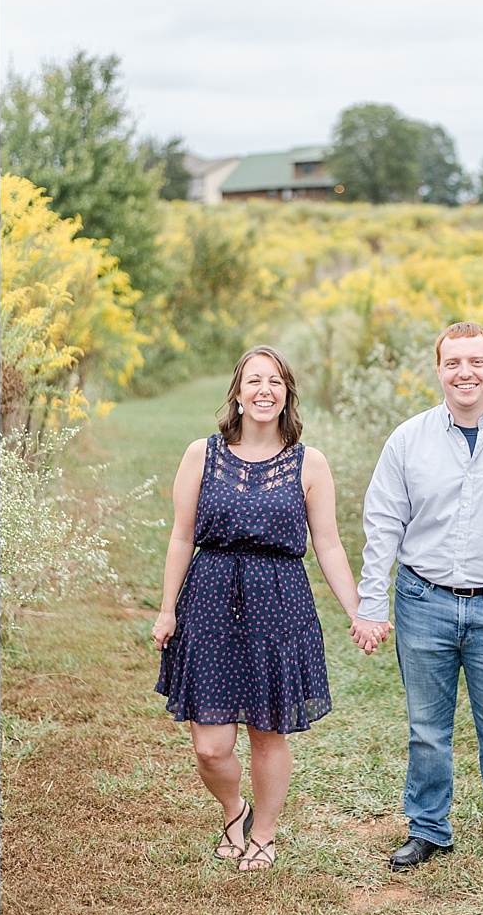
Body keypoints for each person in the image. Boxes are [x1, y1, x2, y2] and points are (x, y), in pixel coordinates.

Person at [153, 345, 376, 872]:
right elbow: (182, 537)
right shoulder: (200, 454)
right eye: (253, 381)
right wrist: (167, 610)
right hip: (209, 599)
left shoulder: (309, 463)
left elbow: (329, 545)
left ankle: (265, 834)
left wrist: (358, 611)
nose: (263, 391)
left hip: (279, 602)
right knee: (210, 745)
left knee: (267, 730)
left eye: (274, 382)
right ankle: (235, 811)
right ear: (236, 392)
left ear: (286, 395)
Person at [356, 321, 483, 874]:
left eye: (476, 361)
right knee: (427, 728)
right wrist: (372, 604)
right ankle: (428, 830)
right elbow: (382, 526)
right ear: (440, 370)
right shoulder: (407, 440)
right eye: (453, 363)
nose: (465, 373)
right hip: (423, 601)